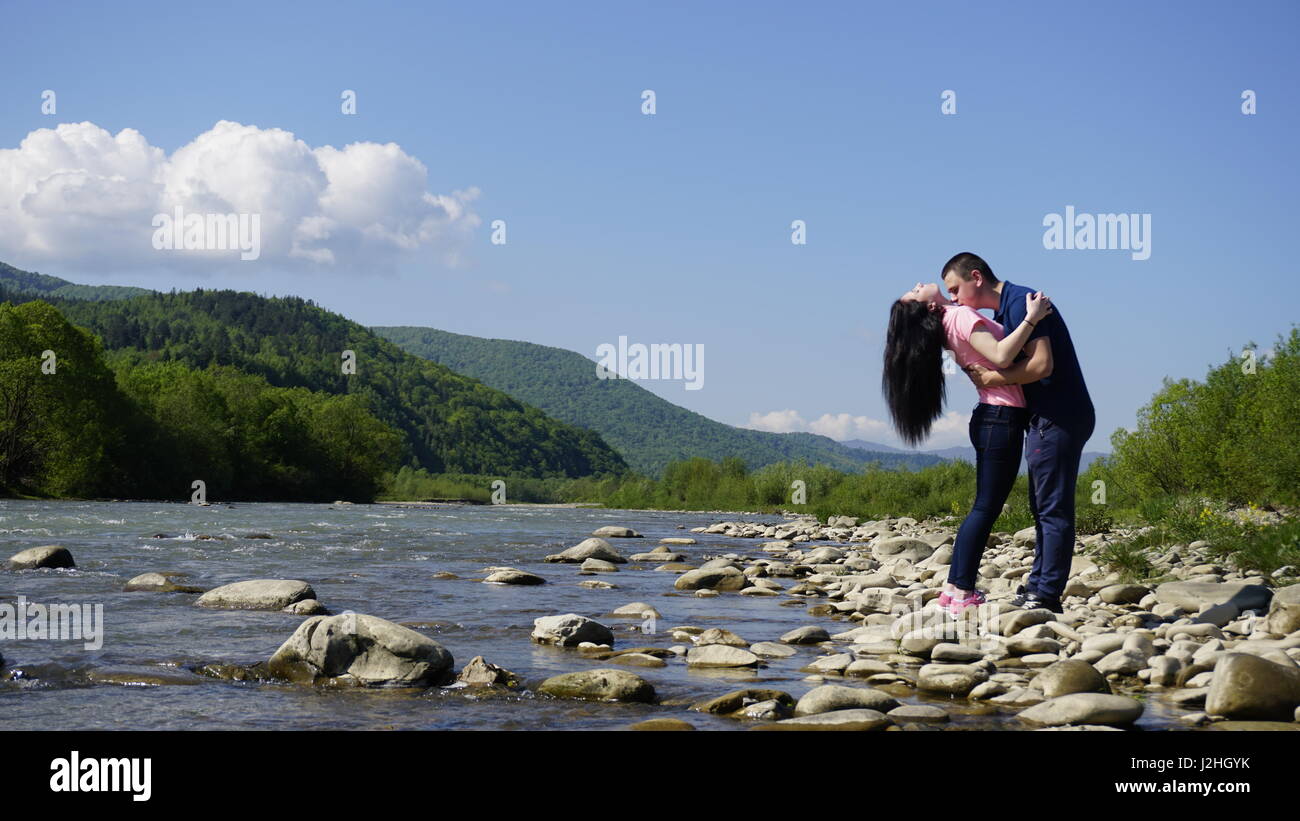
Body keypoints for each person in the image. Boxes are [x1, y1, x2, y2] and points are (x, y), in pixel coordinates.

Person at [883, 280, 1053, 617]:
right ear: (929, 307)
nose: (918, 284)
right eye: (914, 292)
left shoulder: (952, 319)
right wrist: (1032, 319)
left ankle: (952, 589)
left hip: (994, 419)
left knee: (984, 507)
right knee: (985, 508)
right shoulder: (958, 317)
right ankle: (961, 590)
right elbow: (1002, 356)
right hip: (1000, 418)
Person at [941, 252, 1096, 613]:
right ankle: (1038, 585)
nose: (953, 299)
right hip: (1049, 417)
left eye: (955, 289)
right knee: (1042, 505)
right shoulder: (1008, 310)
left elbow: (1042, 364)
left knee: (1052, 507)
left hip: (1059, 415)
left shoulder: (1020, 302)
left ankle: (1046, 593)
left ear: (975, 277)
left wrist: (995, 378)